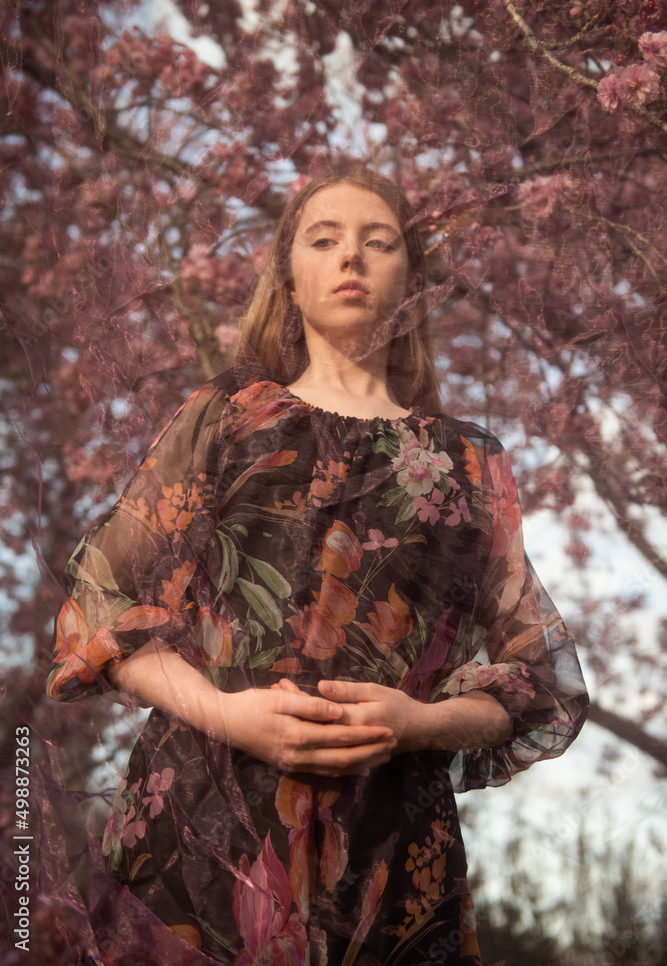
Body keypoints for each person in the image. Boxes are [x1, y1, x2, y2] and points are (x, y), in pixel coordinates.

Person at [46, 169, 588, 965]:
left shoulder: (469, 462)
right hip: (205, 832)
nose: (351, 259)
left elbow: (537, 679)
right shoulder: (227, 418)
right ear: (289, 280)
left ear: (410, 281)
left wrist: (420, 724)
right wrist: (229, 714)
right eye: (323, 239)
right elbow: (98, 607)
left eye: (378, 243)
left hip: (389, 851)